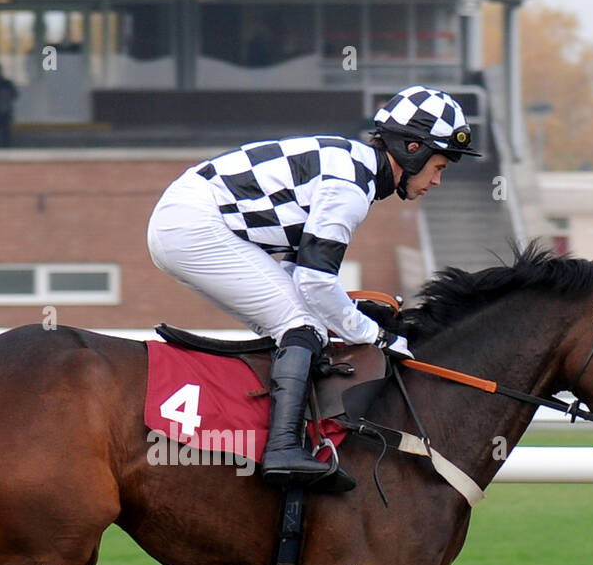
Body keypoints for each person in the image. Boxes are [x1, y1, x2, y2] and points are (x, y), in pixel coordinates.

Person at [147, 84, 481, 489]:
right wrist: (372, 334)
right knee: (301, 324)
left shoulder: (354, 168)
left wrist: (350, 319)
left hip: (186, 220)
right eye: (440, 166)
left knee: (297, 323)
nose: (438, 181)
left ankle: (278, 432)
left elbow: (298, 273)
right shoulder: (351, 186)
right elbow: (316, 282)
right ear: (414, 150)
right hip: (192, 224)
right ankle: (283, 448)